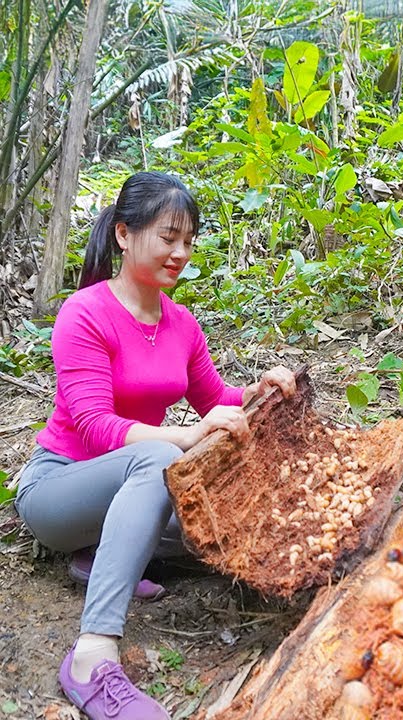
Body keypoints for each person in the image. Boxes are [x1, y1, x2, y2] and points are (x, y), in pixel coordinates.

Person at [13, 172, 296, 720]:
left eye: (188, 241)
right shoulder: (85, 313)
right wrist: (183, 436)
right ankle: (91, 656)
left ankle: (101, 556)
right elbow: (95, 426)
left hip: (136, 486)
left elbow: (215, 398)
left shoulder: (181, 324)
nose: (180, 252)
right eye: (168, 237)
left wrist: (256, 392)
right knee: (164, 460)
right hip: (60, 487)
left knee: (222, 521)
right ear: (124, 233)